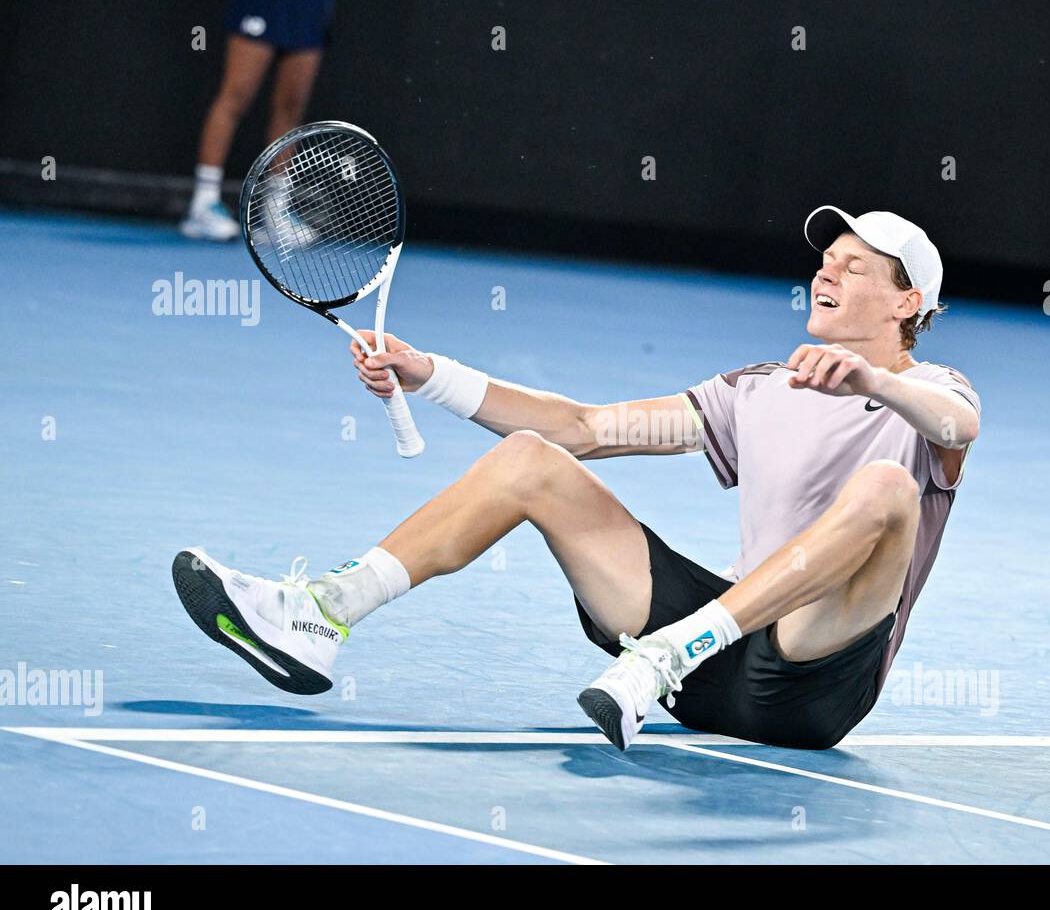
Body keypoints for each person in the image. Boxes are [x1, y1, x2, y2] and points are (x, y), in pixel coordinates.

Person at [172, 207, 981, 751]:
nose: (825, 275)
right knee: (533, 461)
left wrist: (872, 383)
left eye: (853, 267)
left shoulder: (934, 393)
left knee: (887, 490)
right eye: (825, 261)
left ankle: (663, 654)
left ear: (909, 300)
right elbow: (586, 430)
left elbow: (956, 428)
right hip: (707, 670)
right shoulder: (761, 389)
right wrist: (429, 375)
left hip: (814, 681)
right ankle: (320, 614)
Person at [180, 0, 335, 241]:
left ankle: (275, 212)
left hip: (309, 6)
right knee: (235, 99)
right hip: (262, 4)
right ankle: (204, 204)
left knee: (291, 110)